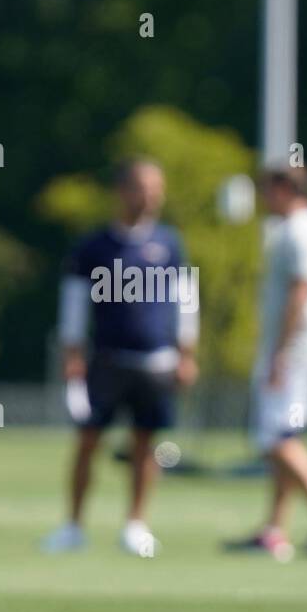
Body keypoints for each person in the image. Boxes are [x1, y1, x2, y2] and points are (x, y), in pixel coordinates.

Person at [43, 158, 198, 556]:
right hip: (106, 360)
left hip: (156, 361)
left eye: (156, 187)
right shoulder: (94, 246)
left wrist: (187, 352)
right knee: (88, 440)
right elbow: (74, 302)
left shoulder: (170, 243)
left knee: (146, 444)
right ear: (123, 191)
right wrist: (72, 350)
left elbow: (186, 299)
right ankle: (73, 525)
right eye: (143, 186)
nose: (151, 195)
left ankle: (136, 525)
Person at [225, 166, 307, 556]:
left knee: (278, 439)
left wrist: (278, 353)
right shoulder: (302, 228)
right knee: (283, 438)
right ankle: (275, 528)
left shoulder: (300, 230)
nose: (263, 200)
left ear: (283, 189)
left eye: (267, 191)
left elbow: (301, 291)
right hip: (294, 349)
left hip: (294, 351)